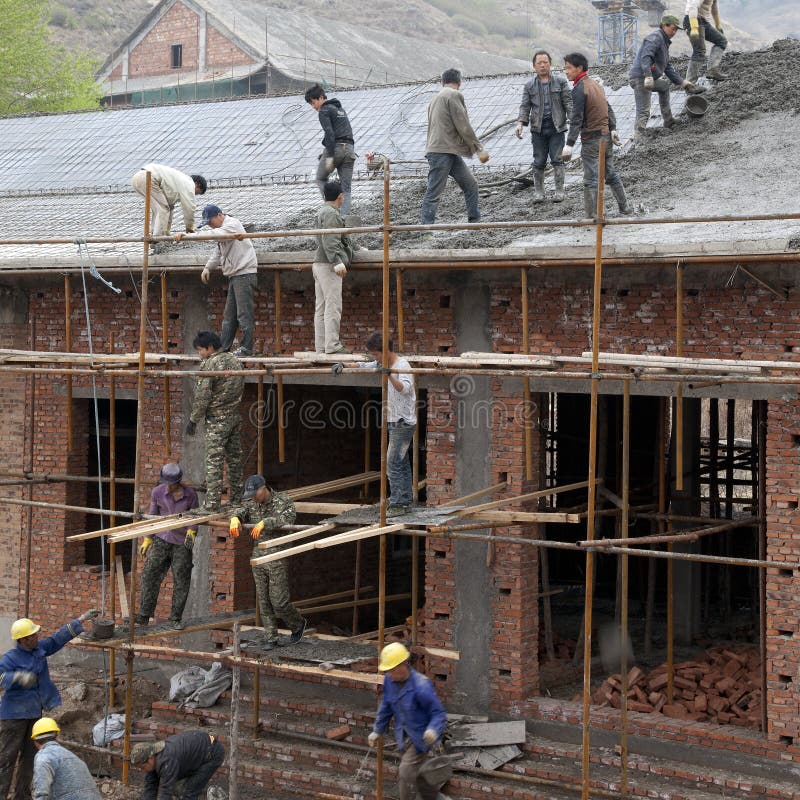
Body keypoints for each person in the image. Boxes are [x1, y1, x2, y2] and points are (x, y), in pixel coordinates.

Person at [0, 610, 100, 800]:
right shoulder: (10, 658)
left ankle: (22, 795)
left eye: (36, 634)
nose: (37, 636)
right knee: (7, 758)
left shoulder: (39, 649)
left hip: (34, 712)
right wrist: (17, 677)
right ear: (22, 640)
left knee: (30, 757)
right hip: (13, 715)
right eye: (32, 635)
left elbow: (57, 639)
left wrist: (80, 620)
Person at [230, 475, 306, 650]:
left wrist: (266, 522)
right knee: (263, 601)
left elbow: (288, 518)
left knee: (279, 601)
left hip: (277, 555)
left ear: (263, 488)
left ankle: (297, 623)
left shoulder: (283, 500)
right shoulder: (252, 502)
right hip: (259, 555)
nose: (253, 498)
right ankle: (271, 636)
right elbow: (240, 510)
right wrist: (235, 518)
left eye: (255, 494)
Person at [174, 204, 258, 357]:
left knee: (244, 315)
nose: (211, 225)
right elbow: (218, 250)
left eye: (211, 222)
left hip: (244, 274)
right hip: (235, 275)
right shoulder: (223, 233)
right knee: (229, 316)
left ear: (219, 215)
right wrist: (208, 268)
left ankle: (246, 349)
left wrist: (187, 236)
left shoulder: (232, 224)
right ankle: (223, 350)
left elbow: (213, 235)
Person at [368, 643, 447, 800]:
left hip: (421, 737)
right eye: (388, 670)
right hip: (403, 734)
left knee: (405, 770)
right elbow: (386, 706)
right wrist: (377, 730)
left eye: (392, 669)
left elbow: (438, 713)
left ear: (403, 665)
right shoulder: (390, 681)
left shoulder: (421, 686)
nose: (389, 674)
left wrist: (433, 730)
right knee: (411, 776)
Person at [561, 52, 631, 219]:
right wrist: (613, 128)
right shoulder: (596, 85)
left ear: (579, 68)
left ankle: (593, 214)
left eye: (569, 68)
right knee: (610, 173)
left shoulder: (579, 89)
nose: (566, 72)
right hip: (606, 136)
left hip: (592, 138)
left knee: (591, 178)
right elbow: (608, 108)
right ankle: (625, 208)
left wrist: (569, 144)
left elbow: (576, 118)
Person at [421, 68, 490, 229]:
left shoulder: (435, 99)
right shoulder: (453, 94)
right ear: (459, 83)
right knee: (434, 191)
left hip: (446, 150)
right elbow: (463, 124)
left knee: (470, 184)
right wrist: (478, 148)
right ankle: (426, 228)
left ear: (442, 82)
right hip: (442, 152)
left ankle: (474, 221)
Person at [186, 331, 245, 512]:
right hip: (234, 416)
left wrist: (193, 420)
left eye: (200, 350)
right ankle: (236, 499)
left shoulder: (210, 364)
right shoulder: (236, 361)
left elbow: (203, 396)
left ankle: (212, 504)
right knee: (235, 459)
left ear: (210, 347)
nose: (199, 354)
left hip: (217, 420)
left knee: (214, 461)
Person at [136, 463, 199, 629]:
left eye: (171, 483)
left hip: (182, 544)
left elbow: (195, 517)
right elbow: (153, 516)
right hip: (161, 539)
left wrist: (191, 532)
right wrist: (147, 539)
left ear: (178, 481)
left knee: (181, 580)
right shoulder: (157, 492)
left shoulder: (190, 495)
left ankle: (175, 619)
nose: (168, 486)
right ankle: (144, 615)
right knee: (149, 574)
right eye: (166, 482)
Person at [363, 331, 416, 517]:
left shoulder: (402, 365)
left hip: (403, 422)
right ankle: (406, 501)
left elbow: (405, 389)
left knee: (392, 463)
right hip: (395, 421)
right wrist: (341, 366)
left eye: (376, 354)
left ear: (385, 351)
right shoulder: (382, 363)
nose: (375, 359)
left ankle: (397, 504)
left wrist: (389, 376)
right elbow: (365, 365)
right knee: (401, 463)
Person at [515, 50, 573, 203]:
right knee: (539, 161)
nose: (542, 65)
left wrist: (575, 121)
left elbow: (568, 103)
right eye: (539, 63)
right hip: (538, 129)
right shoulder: (529, 86)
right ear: (534, 66)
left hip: (557, 127)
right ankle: (539, 193)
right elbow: (525, 106)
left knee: (558, 159)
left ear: (550, 64)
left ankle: (559, 191)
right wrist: (521, 122)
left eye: (545, 62)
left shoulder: (560, 82)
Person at [630, 15, 702, 133]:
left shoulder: (664, 42)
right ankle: (639, 140)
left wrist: (683, 82)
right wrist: (648, 75)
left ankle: (668, 120)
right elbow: (646, 57)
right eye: (672, 29)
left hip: (648, 78)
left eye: (676, 30)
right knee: (643, 111)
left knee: (664, 86)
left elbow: (666, 67)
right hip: (641, 78)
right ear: (664, 26)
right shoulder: (656, 38)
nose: (674, 32)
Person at [313, 181, 355, 355]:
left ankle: (322, 346)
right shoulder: (332, 214)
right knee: (333, 306)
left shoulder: (321, 211)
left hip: (319, 263)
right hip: (329, 265)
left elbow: (327, 240)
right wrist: (337, 261)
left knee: (321, 307)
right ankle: (332, 345)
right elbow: (331, 241)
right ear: (340, 197)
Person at [305, 83, 357, 215]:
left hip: (336, 149)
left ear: (321, 97)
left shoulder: (324, 110)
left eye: (313, 102)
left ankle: (331, 209)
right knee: (346, 189)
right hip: (350, 150)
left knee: (321, 178)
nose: (313, 107)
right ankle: (344, 218)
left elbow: (329, 134)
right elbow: (344, 131)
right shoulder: (340, 109)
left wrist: (329, 157)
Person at [130, 729, 225, 800]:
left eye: (143, 767)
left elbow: (165, 792)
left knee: (189, 791)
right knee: (178, 787)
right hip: (196, 751)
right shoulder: (153, 754)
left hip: (212, 753)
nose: (143, 770)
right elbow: (150, 786)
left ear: (150, 758)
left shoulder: (167, 760)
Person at [31, 718, 101, 800]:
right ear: (57, 736)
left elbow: (41, 794)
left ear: (35, 742)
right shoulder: (73, 757)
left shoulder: (43, 757)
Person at [131, 163, 207, 237]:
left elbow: (169, 209)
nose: (194, 195)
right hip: (148, 177)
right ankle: (158, 237)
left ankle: (155, 234)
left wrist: (167, 231)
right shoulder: (189, 184)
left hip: (138, 178)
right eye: (197, 193)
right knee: (163, 209)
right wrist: (189, 228)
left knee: (158, 209)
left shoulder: (177, 182)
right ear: (197, 185)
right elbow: (189, 208)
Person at [684, 0, 728, 82]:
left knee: (722, 41)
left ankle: (712, 70)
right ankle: (690, 83)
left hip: (704, 22)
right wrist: (694, 27)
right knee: (699, 51)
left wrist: (718, 24)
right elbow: (693, 6)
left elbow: (713, 7)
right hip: (692, 19)